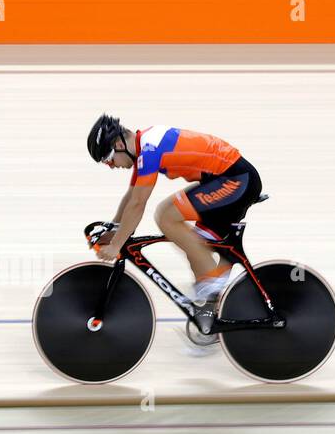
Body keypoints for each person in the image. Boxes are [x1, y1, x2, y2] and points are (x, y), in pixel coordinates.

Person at [86, 113, 262, 305]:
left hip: (236, 180)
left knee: (166, 215)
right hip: (226, 179)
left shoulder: (150, 150)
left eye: (108, 160)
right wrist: (114, 229)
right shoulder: (143, 146)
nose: (111, 167)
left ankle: (216, 283)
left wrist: (116, 245)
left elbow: (138, 204)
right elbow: (131, 196)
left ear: (119, 145)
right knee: (194, 245)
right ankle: (214, 314)